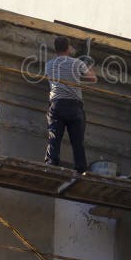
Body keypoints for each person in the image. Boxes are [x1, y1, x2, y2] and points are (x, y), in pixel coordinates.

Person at [44, 36, 97, 173]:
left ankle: (51, 162)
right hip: (74, 105)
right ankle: (80, 168)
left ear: (56, 49)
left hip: (57, 103)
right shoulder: (76, 63)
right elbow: (93, 78)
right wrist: (86, 68)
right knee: (77, 141)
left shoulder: (49, 64)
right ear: (68, 48)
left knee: (54, 137)